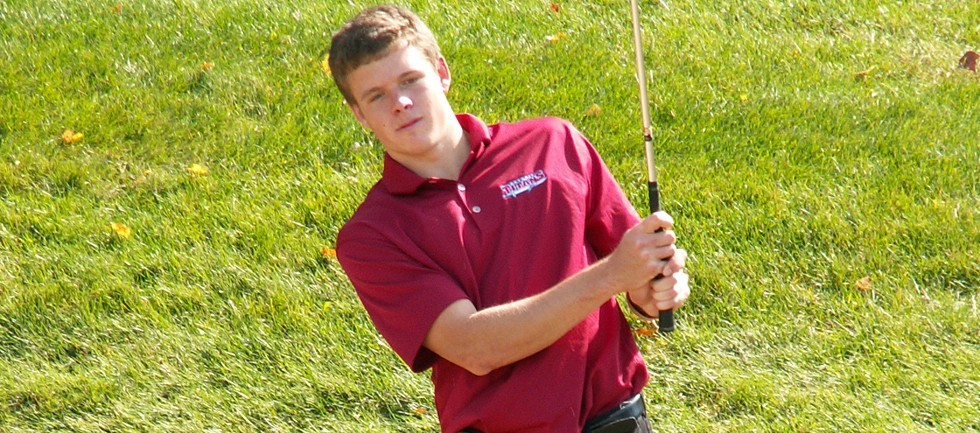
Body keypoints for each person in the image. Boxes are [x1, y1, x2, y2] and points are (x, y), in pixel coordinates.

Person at [327, 5, 689, 432]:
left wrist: (653, 291)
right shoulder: (372, 235)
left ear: (441, 72)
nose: (401, 103)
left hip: (617, 419)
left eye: (410, 80)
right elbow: (475, 346)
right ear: (359, 113)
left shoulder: (553, 142)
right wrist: (612, 276)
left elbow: (637, 270)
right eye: (376, 95)